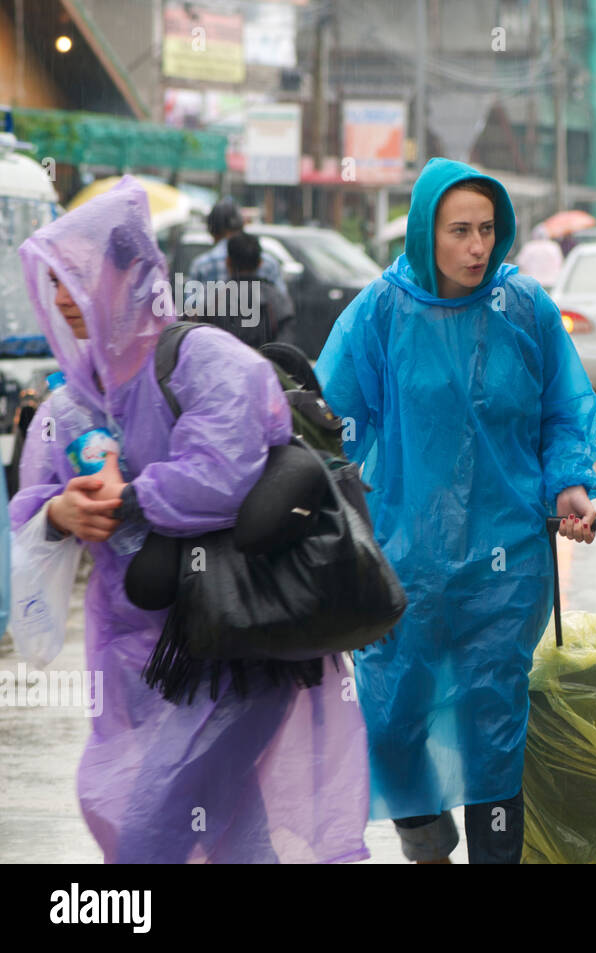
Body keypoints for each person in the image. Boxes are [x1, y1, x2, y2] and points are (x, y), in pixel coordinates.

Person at [12, 177, 370, 863]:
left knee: (152, 828)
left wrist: (130, 496)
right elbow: (32, 504)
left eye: (78, 278)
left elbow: (222, 470)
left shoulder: (206, 360)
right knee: (229, 827)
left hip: (237, 645)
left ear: (131, 273)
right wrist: (61, 512)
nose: (64, 297)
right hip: (134, 660)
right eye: (55, 281)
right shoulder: (80, 392)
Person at [315, 157, 596, 865]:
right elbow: (328, 417)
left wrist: (569, 482)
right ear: (425, 234)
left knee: (492, 721)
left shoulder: (526, 306)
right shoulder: (382, 310)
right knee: (391, 718)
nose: (478, 246)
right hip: (403, 556)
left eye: (487, 230)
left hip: (506, 562)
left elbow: (564, 410)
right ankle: (428, 846)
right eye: (460, 231)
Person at [188, 199, 294, 316]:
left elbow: (193, 312)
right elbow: (282, 304)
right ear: (242, 225)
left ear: (211, 231)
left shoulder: (202, 265)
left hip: (218, 331)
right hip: (261, 331)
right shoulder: (268, 262)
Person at [221, 231, 294, 348]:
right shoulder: (278, 300)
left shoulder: (213, 299)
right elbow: (284, 349)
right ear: (260, 263)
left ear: (228, 262)